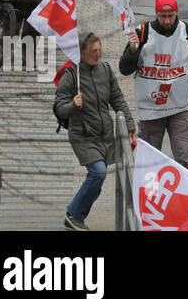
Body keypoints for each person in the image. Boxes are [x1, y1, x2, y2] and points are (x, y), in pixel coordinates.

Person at [54, 34, 136, 230]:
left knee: (98, 177)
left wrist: (130, 124)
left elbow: (117, 99)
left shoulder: (105, 70)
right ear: (82, 52)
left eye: (99, 50)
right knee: (98, 173)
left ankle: (75, 214)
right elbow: (59, 108)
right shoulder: (71, 74)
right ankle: (74, 214)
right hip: (82, 135)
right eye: (93, 51)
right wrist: (73, 105)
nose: (98, 54)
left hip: (104, 135)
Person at [118, 0, 188, 173]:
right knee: (149, 162)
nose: (167, 21)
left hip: (180, 107)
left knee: (185, 158)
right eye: (163, 16)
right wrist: (133, 51)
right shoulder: (142, 33)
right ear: (156, 14)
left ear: (176, 13)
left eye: (171, 16)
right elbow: (124, 69)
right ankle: (147, 198)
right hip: (151, 110)